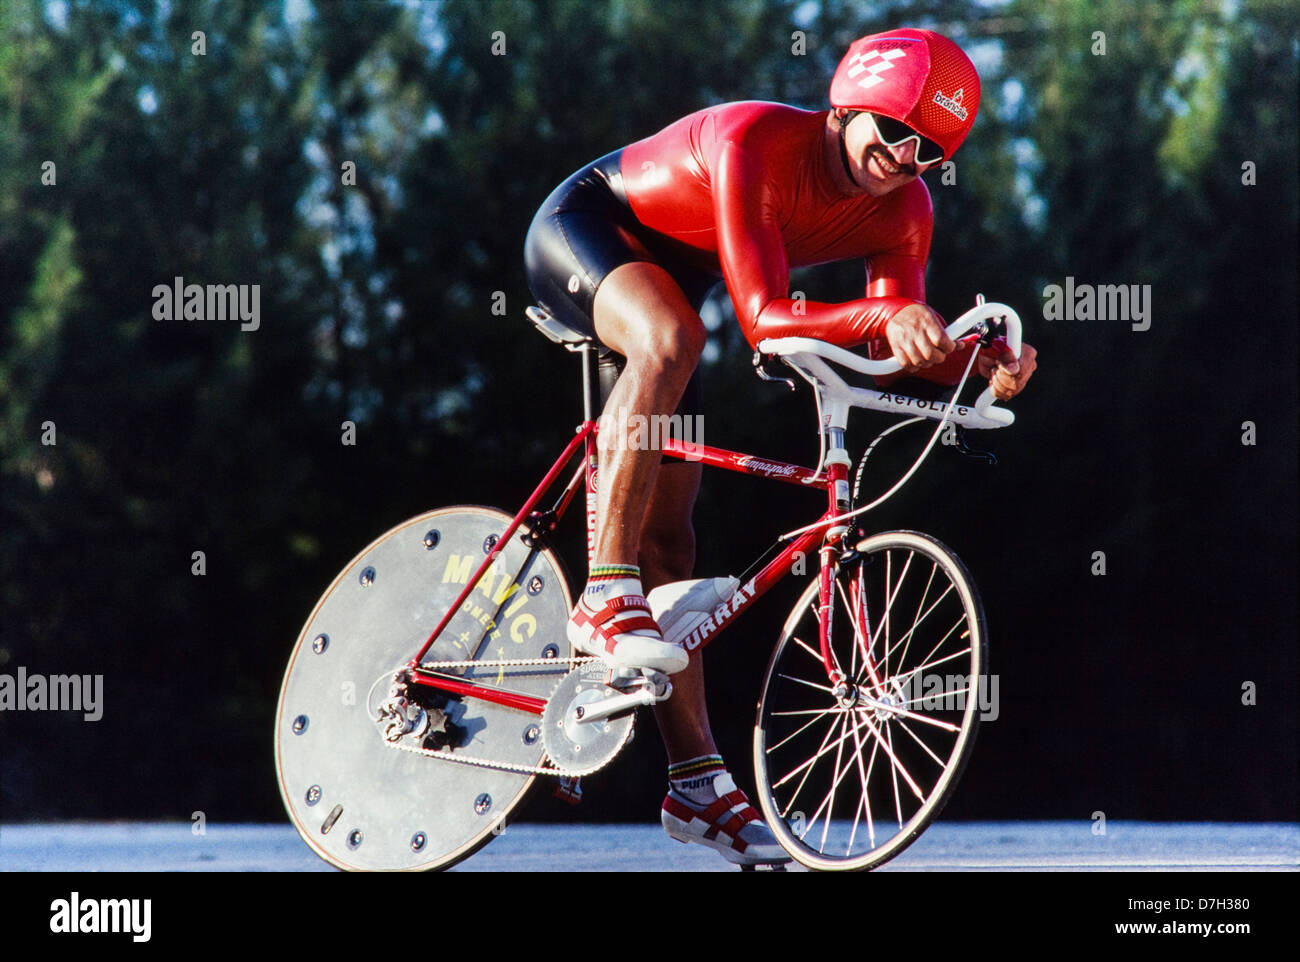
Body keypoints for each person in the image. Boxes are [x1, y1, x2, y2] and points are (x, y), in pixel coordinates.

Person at [524, 27, 1038, 867]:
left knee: (673, 537)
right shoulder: (757, 141)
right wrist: (889, 320)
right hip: (589, 227)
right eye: (895, 130)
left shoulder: (906, 206)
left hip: (674, 295)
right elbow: (765, 320)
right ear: (847, 107)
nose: (906, 158)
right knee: (670, 340)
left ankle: (696, 786)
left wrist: (977, 364)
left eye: (929, 150)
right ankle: (600, 593)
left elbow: (885, 350)